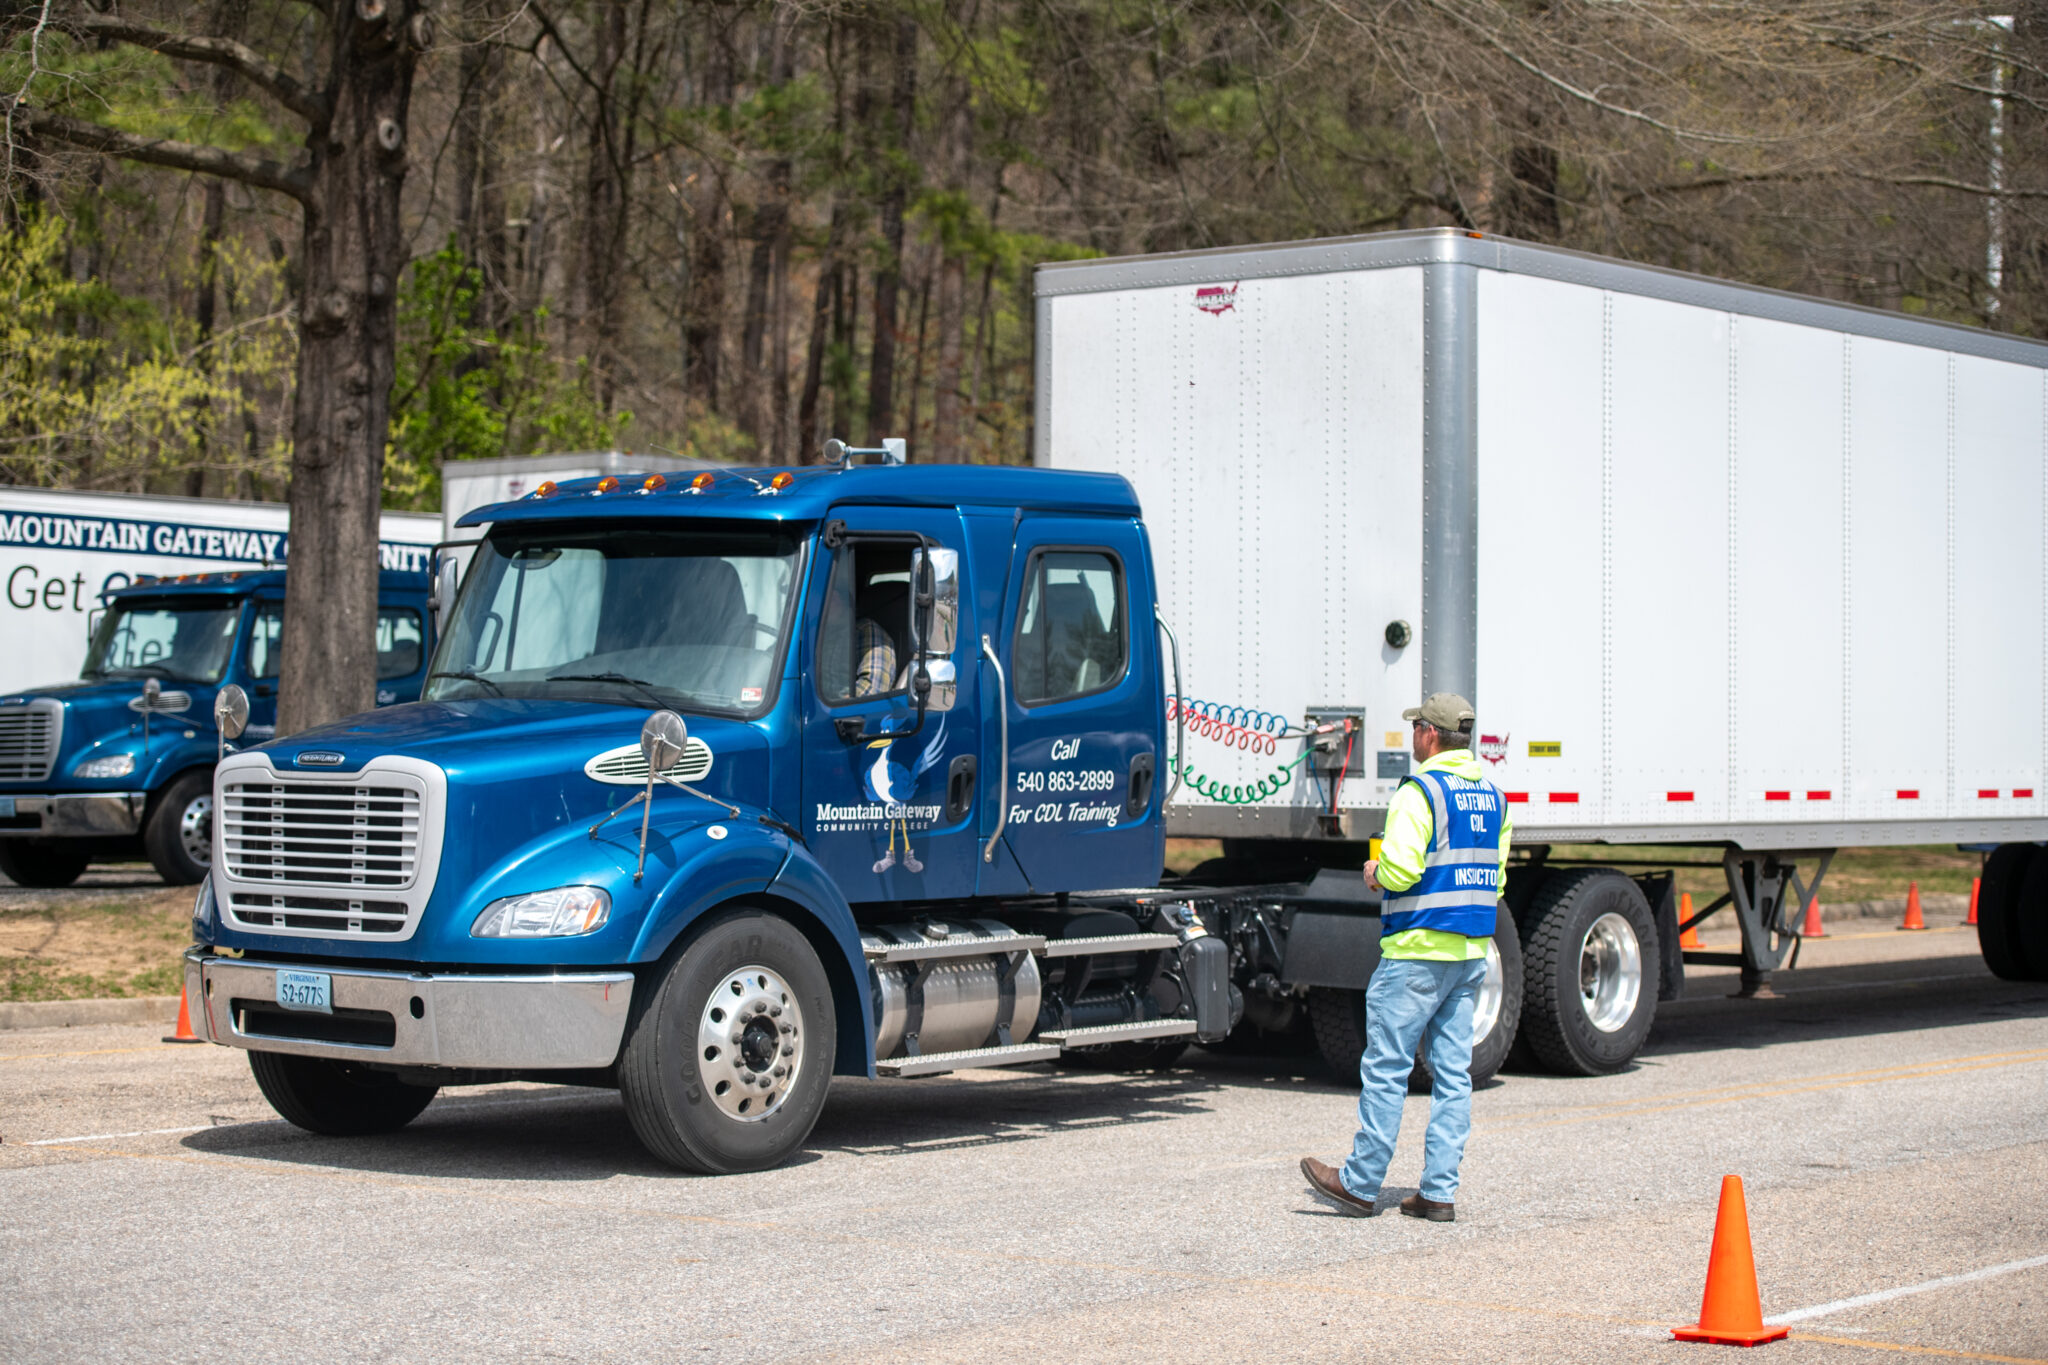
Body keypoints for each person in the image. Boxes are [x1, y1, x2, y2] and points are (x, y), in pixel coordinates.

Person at [1299, 692, 1510, 1222]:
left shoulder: (1420, 791)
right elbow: (1497, 878)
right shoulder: (1494, 797)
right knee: (1454, 1076)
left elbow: (1401, 870)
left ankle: (1359, 1183)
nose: (1414, 735)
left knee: (1388, 1067)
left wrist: (1375, 873)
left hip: (1416, 951)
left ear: (1430, 735)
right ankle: (1438, 1193)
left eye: (1417, 727)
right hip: (1470, 952)